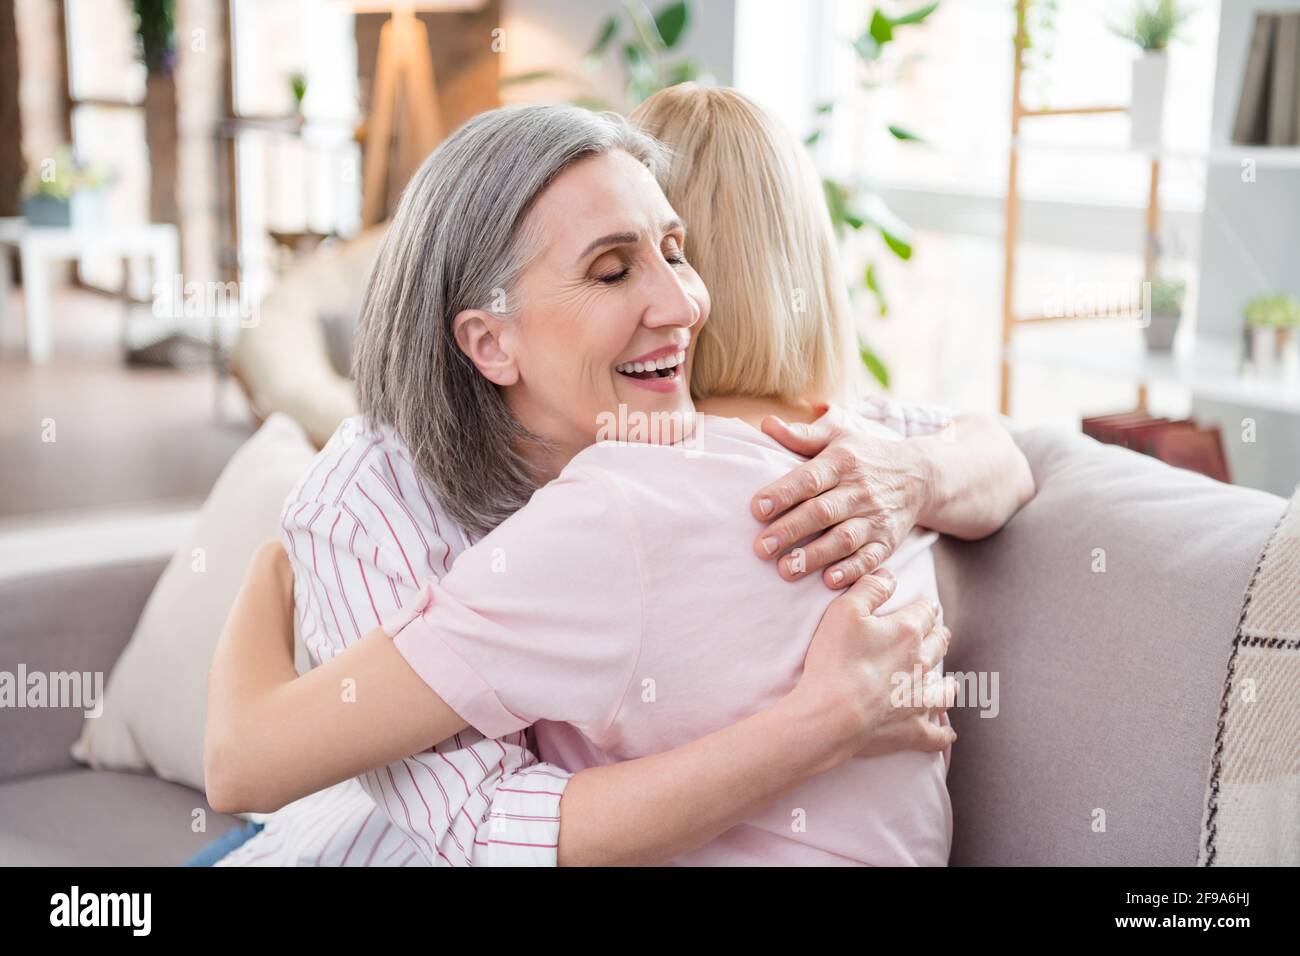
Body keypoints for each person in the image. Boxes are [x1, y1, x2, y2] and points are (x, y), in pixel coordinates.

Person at [205, 95, 1033, 866]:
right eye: (612, 270)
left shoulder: (794, 450)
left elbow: (1004, 456)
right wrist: (826, 721)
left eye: (678, 251)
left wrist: (914, 476)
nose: (681, 303)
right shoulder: (387, 508)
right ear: (489, 343)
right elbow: (471, 826)